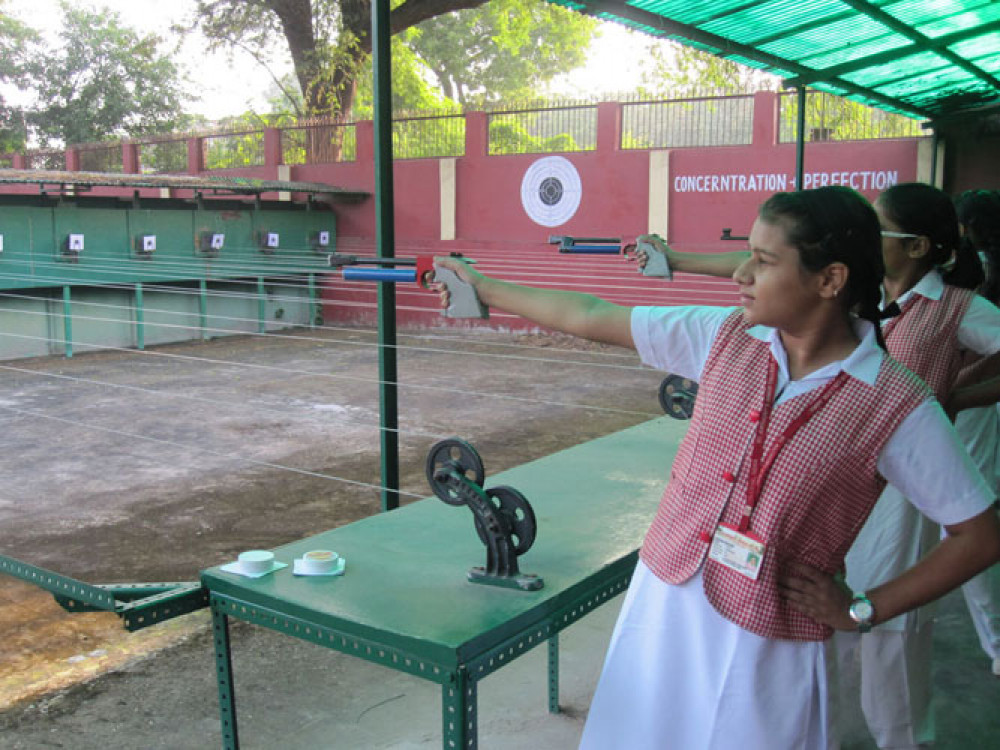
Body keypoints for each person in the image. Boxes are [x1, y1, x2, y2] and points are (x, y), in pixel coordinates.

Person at [434, 186, 1000, 749]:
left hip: (767, 648)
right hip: (664, 607)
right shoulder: (725, 337)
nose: (740, 275)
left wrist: (863, 608)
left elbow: (980, 534)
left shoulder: (894, 401)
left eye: (764, 261)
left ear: (830, 280)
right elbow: (589, 314)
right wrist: (483, 287)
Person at [635, 182, 1000, 748]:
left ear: (918, 247)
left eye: (885, 231)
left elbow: (978, 535)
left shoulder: (947, 319)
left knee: (890, 650)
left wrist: (965, 392)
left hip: (902, 506)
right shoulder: (834, 322)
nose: (875, 241)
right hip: (822, 512)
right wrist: (675, 257)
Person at [952, 188, 1000, 678]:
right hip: (973, 408)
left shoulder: (977, 275)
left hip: (971, 410)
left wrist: (958, 390)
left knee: (969, 516)